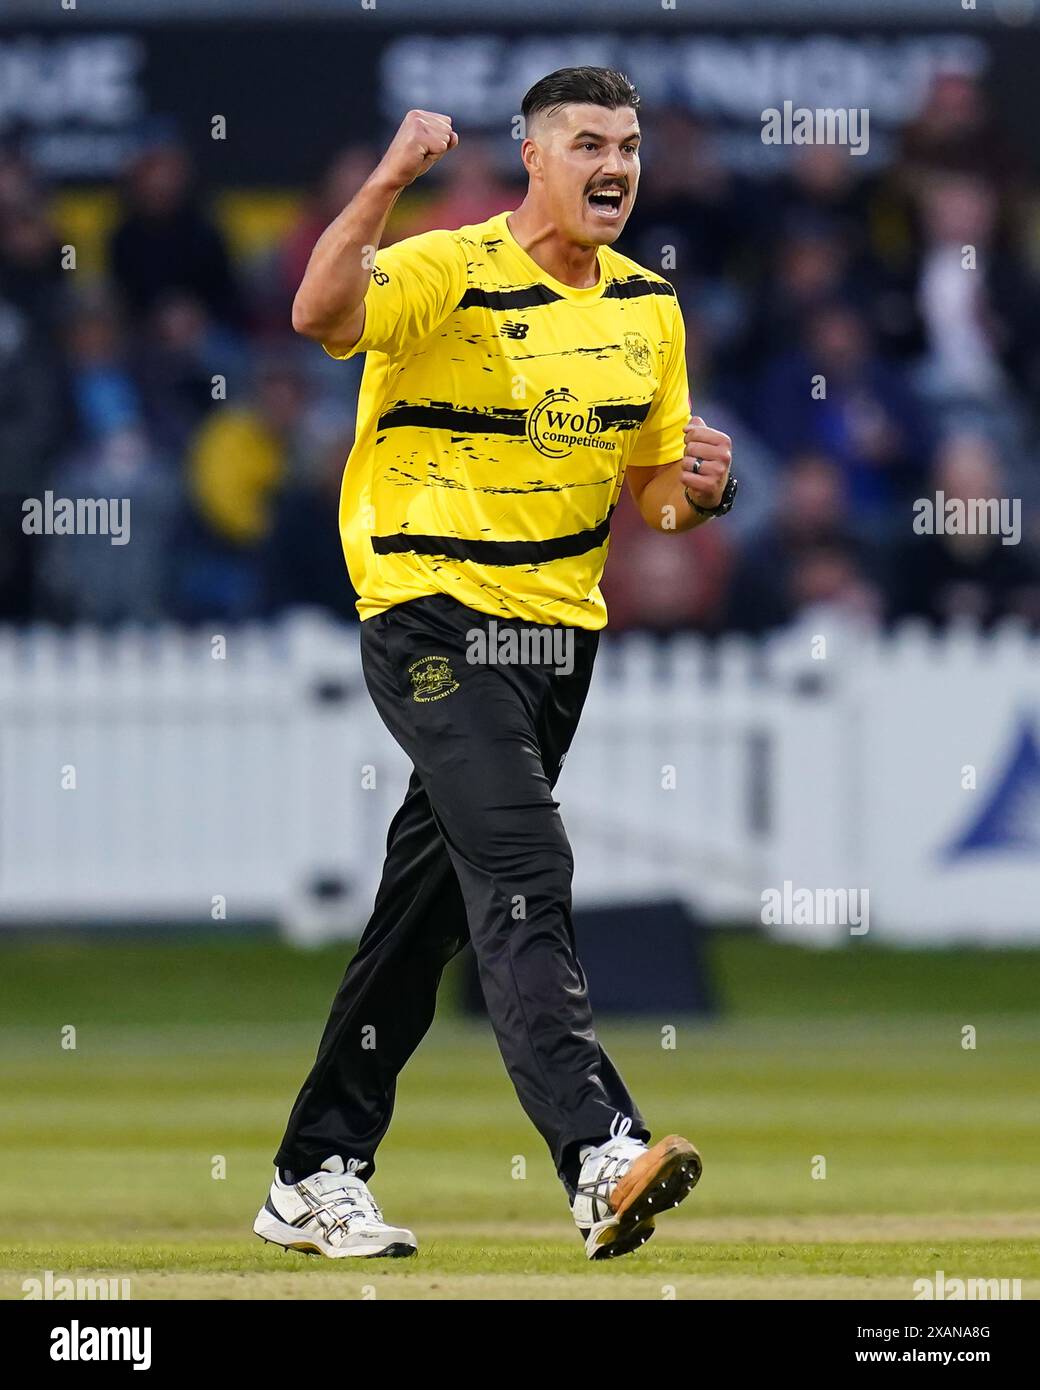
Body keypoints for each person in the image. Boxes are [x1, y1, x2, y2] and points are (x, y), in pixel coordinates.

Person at [254, 67, 738, 1263]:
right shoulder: (445, 265)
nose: (613, 164)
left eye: (626, 144)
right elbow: (319, 316)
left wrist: (704, 497)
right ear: (533, 156)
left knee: (423, 919)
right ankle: (598, 1152)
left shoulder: (646, 310)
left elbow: (651, 504)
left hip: (553, 643)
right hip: (431, 620)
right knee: (527, 859)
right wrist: (386, 178)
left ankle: (313, 1171)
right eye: (586, 142)